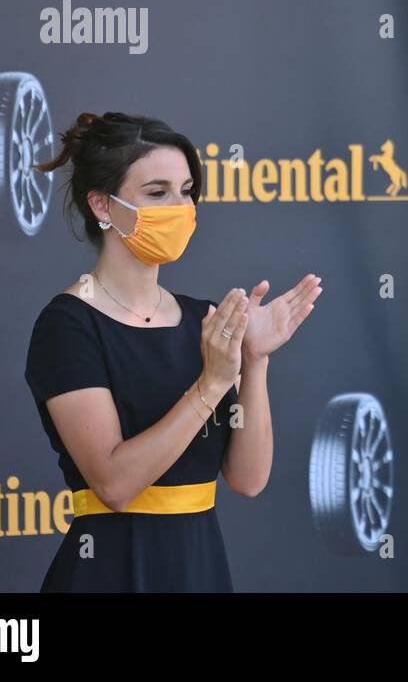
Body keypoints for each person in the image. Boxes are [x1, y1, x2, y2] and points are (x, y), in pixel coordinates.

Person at [25, 111, 321, 591]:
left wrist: (255, 360)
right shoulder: (68, 325)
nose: (179, 208)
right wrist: (211, 384)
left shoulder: (204, 320)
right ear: (103, 205)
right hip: (110, 572)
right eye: (157, 193)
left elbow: (248, 479)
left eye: (186, 192)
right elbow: (115, 485)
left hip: (200, 570)